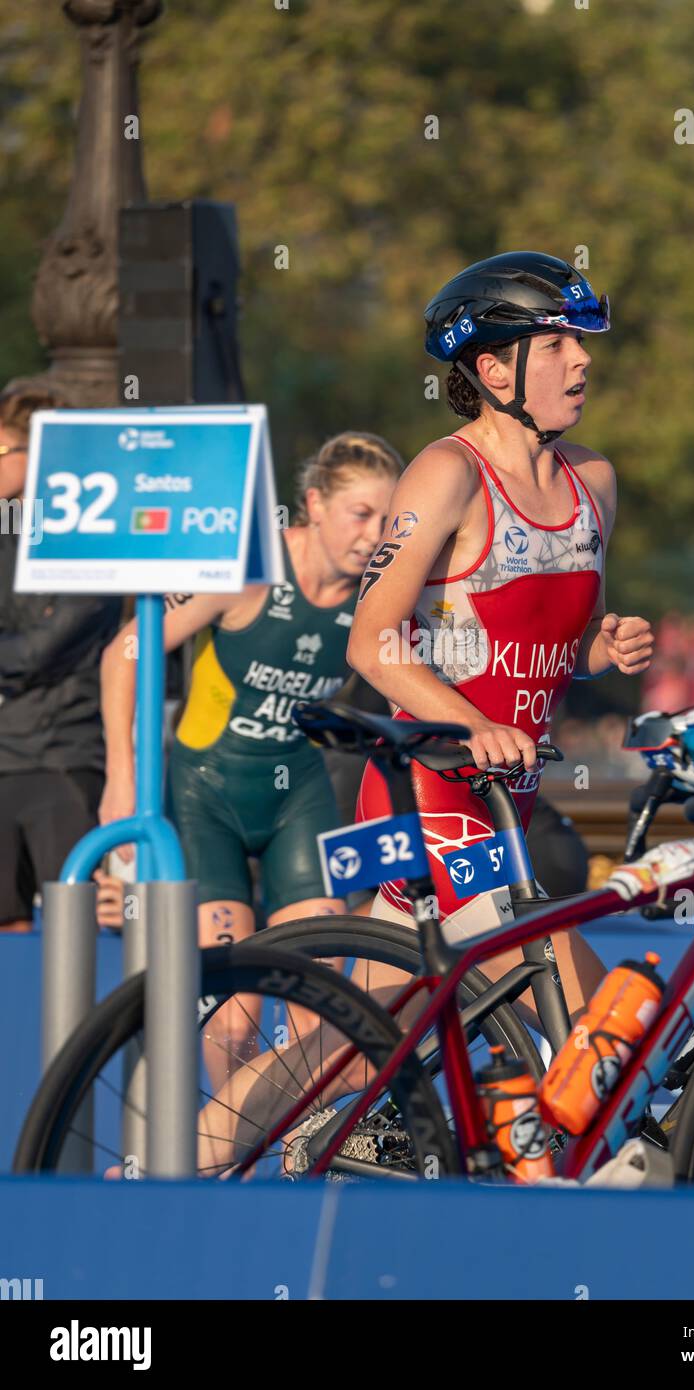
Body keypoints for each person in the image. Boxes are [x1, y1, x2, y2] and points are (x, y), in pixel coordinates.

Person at [348, 251, 655, 1023]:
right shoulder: (446, 474)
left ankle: (202, 1148)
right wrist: (476, 724)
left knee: (354, 1049)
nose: (582, 359)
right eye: (556, 344)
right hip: (428, 784)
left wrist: (606, 647)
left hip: (508, 791)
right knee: (597, 1019)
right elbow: (371, 642)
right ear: (494, 369)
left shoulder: (597, 481)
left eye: (581, 342)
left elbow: (569, 639)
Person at [99, 431, 403, 1085]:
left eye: (388, 520)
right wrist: (123, 778)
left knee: (320, 1011)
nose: (375, 535)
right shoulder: (247, 573)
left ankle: (306, 1155)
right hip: (206, 796)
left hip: (298, 793)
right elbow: (124, 653)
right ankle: (230, 1164)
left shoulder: (378, 594)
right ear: (315, 505)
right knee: (233, 1021)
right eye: (361, 515)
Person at [0, 386, 122, 932]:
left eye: (2, 453)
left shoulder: (86, 540)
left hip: (64, 759)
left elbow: (40, 650)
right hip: (4, 759)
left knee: (74, 930)